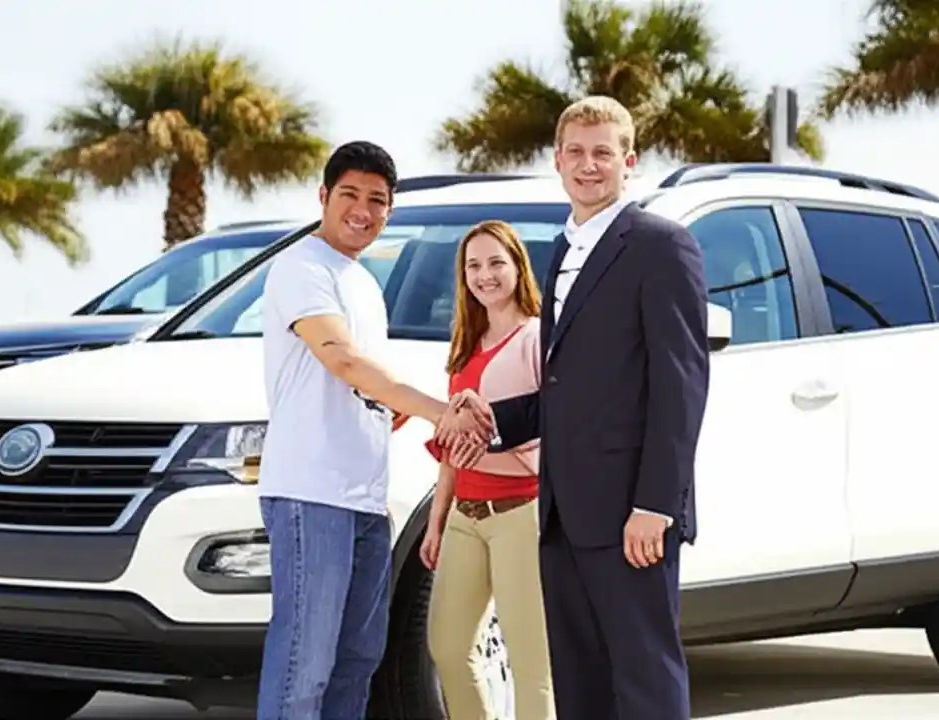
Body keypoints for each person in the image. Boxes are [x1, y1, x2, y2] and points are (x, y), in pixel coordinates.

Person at [437, 96, 711, 720]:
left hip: (630, 517)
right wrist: (494, 423)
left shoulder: (661, 245)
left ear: (628, 161)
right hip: (561, 516)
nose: (589, 166)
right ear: (557, 160)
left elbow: (681, 385)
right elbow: (569, 389)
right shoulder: (563, 251)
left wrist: (656, 506)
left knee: (644, 678)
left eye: (603, 154)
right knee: (580, 683)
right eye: (577, 153)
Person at [256, 140, 478, 720]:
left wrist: (390, 405)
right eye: (350, 194)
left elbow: (358, 380)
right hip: (310, 493)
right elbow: (344, 361)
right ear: (324, 196)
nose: (363, 209)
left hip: (365, 495)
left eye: (377, 200)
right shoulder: (301, 267)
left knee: (356, 659)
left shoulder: (360, 282)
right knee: (304, 663)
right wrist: (439, 410)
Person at [419, 220, 555, 720]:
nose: (485, 275)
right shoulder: (464, 349)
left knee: (530, 663)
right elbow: (452, 449)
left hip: (521, 513)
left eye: (496, 262)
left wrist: (495, 430)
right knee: (449, 649)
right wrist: (436, 521)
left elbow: (556, 428)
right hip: (464, 518)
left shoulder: (537, 338)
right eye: (473, 266)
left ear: (518, 267)